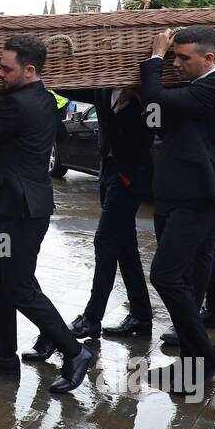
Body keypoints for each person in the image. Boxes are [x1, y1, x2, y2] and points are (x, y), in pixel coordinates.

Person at [0, 35, 98, 395]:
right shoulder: (44, 99)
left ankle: (75, 351)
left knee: (18, 286)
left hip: (21, 213)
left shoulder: (19, 105)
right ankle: (3, 355)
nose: (0, 74)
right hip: (10, 208)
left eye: (6, 68)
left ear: (29, 70)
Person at [139, 25, 215, 392]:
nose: (176, 64)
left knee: (165, 275)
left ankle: (207, 358)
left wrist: (154, 56)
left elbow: (154, 94)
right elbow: (156, 113)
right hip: (179, 191)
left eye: (184, 58)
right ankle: (193, 364)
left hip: (201, 195)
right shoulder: (196, 89)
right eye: (172, 57)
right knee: (186, 275)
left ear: (208, 58)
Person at [53, 88, 156, 343]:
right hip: (108, 173)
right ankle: (141, 313)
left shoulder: (148, 94)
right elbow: (71, 85)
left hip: (130, 177)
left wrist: (133, 101)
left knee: (106, 241)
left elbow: (148, 134)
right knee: (124, 246)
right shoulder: (103, 86)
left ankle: (92, 317)